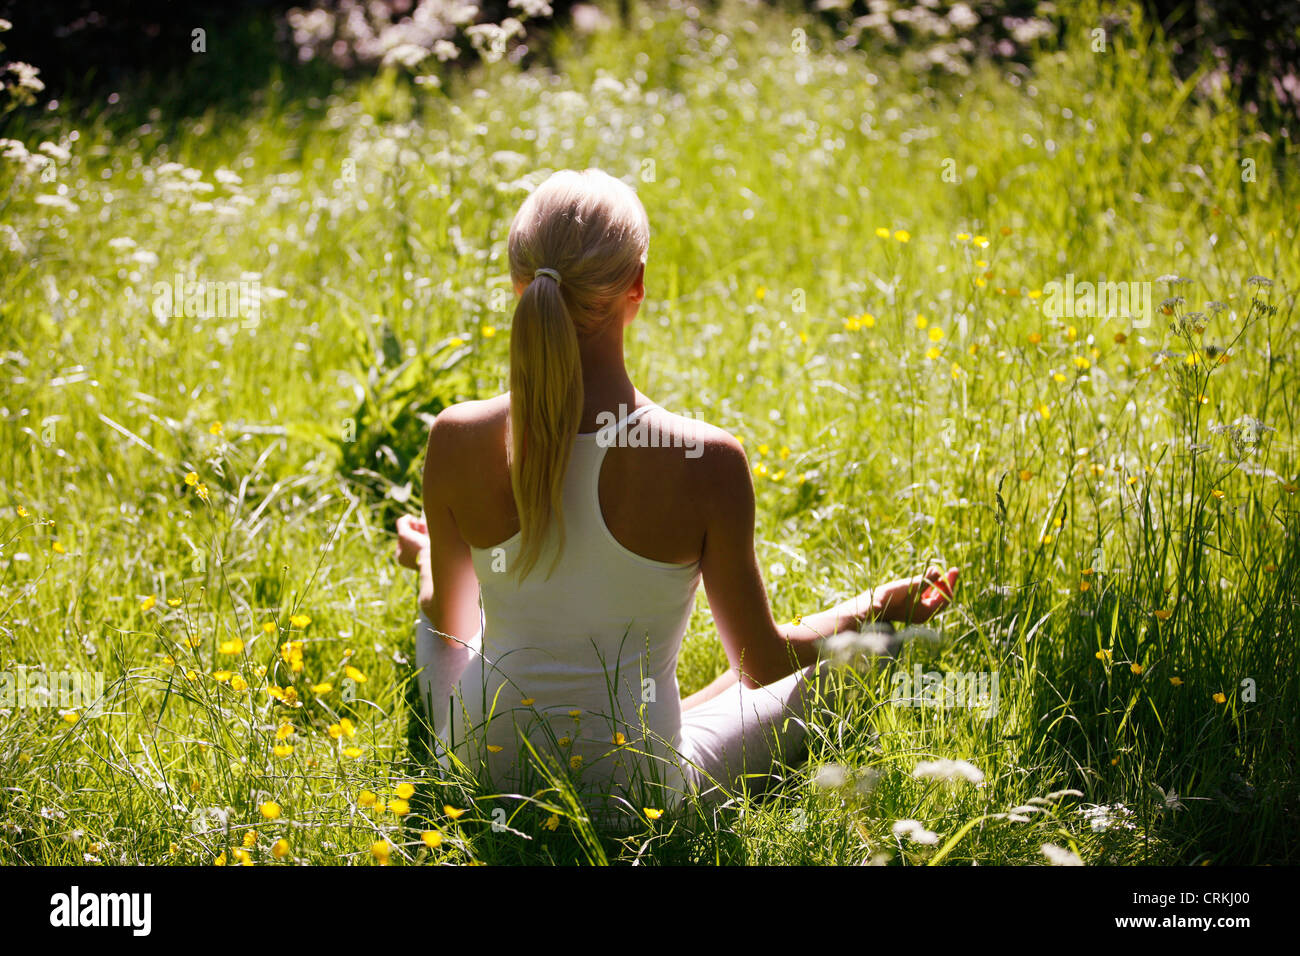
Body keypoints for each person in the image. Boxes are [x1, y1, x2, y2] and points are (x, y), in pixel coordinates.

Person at [393, 168, 957, 825]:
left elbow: (450, 618)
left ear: (518, 284)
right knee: (846, 658)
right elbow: (761, 662)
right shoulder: (705, 458)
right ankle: (882, 627)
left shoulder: (456, 436)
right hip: (635, 793)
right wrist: (870, 607)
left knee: (441, 635)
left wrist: (434, 558)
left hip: (479, 769)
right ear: (636, 284)